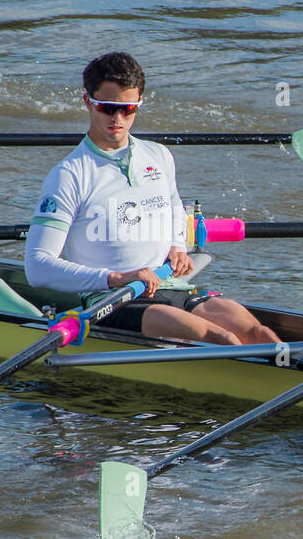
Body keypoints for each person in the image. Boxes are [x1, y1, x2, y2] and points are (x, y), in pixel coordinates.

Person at [24, 52, 277, 345]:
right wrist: (117, 278)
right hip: (115, 300)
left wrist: (178, 246)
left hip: (172, 285)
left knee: (257, 333)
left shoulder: (158, 156)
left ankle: (287, 369)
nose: (118, 119)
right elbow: (38, 267)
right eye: (107, 108)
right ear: (87, 103)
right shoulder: (69, 174)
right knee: (219, 337)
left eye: (128, 108)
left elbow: (174, 210)